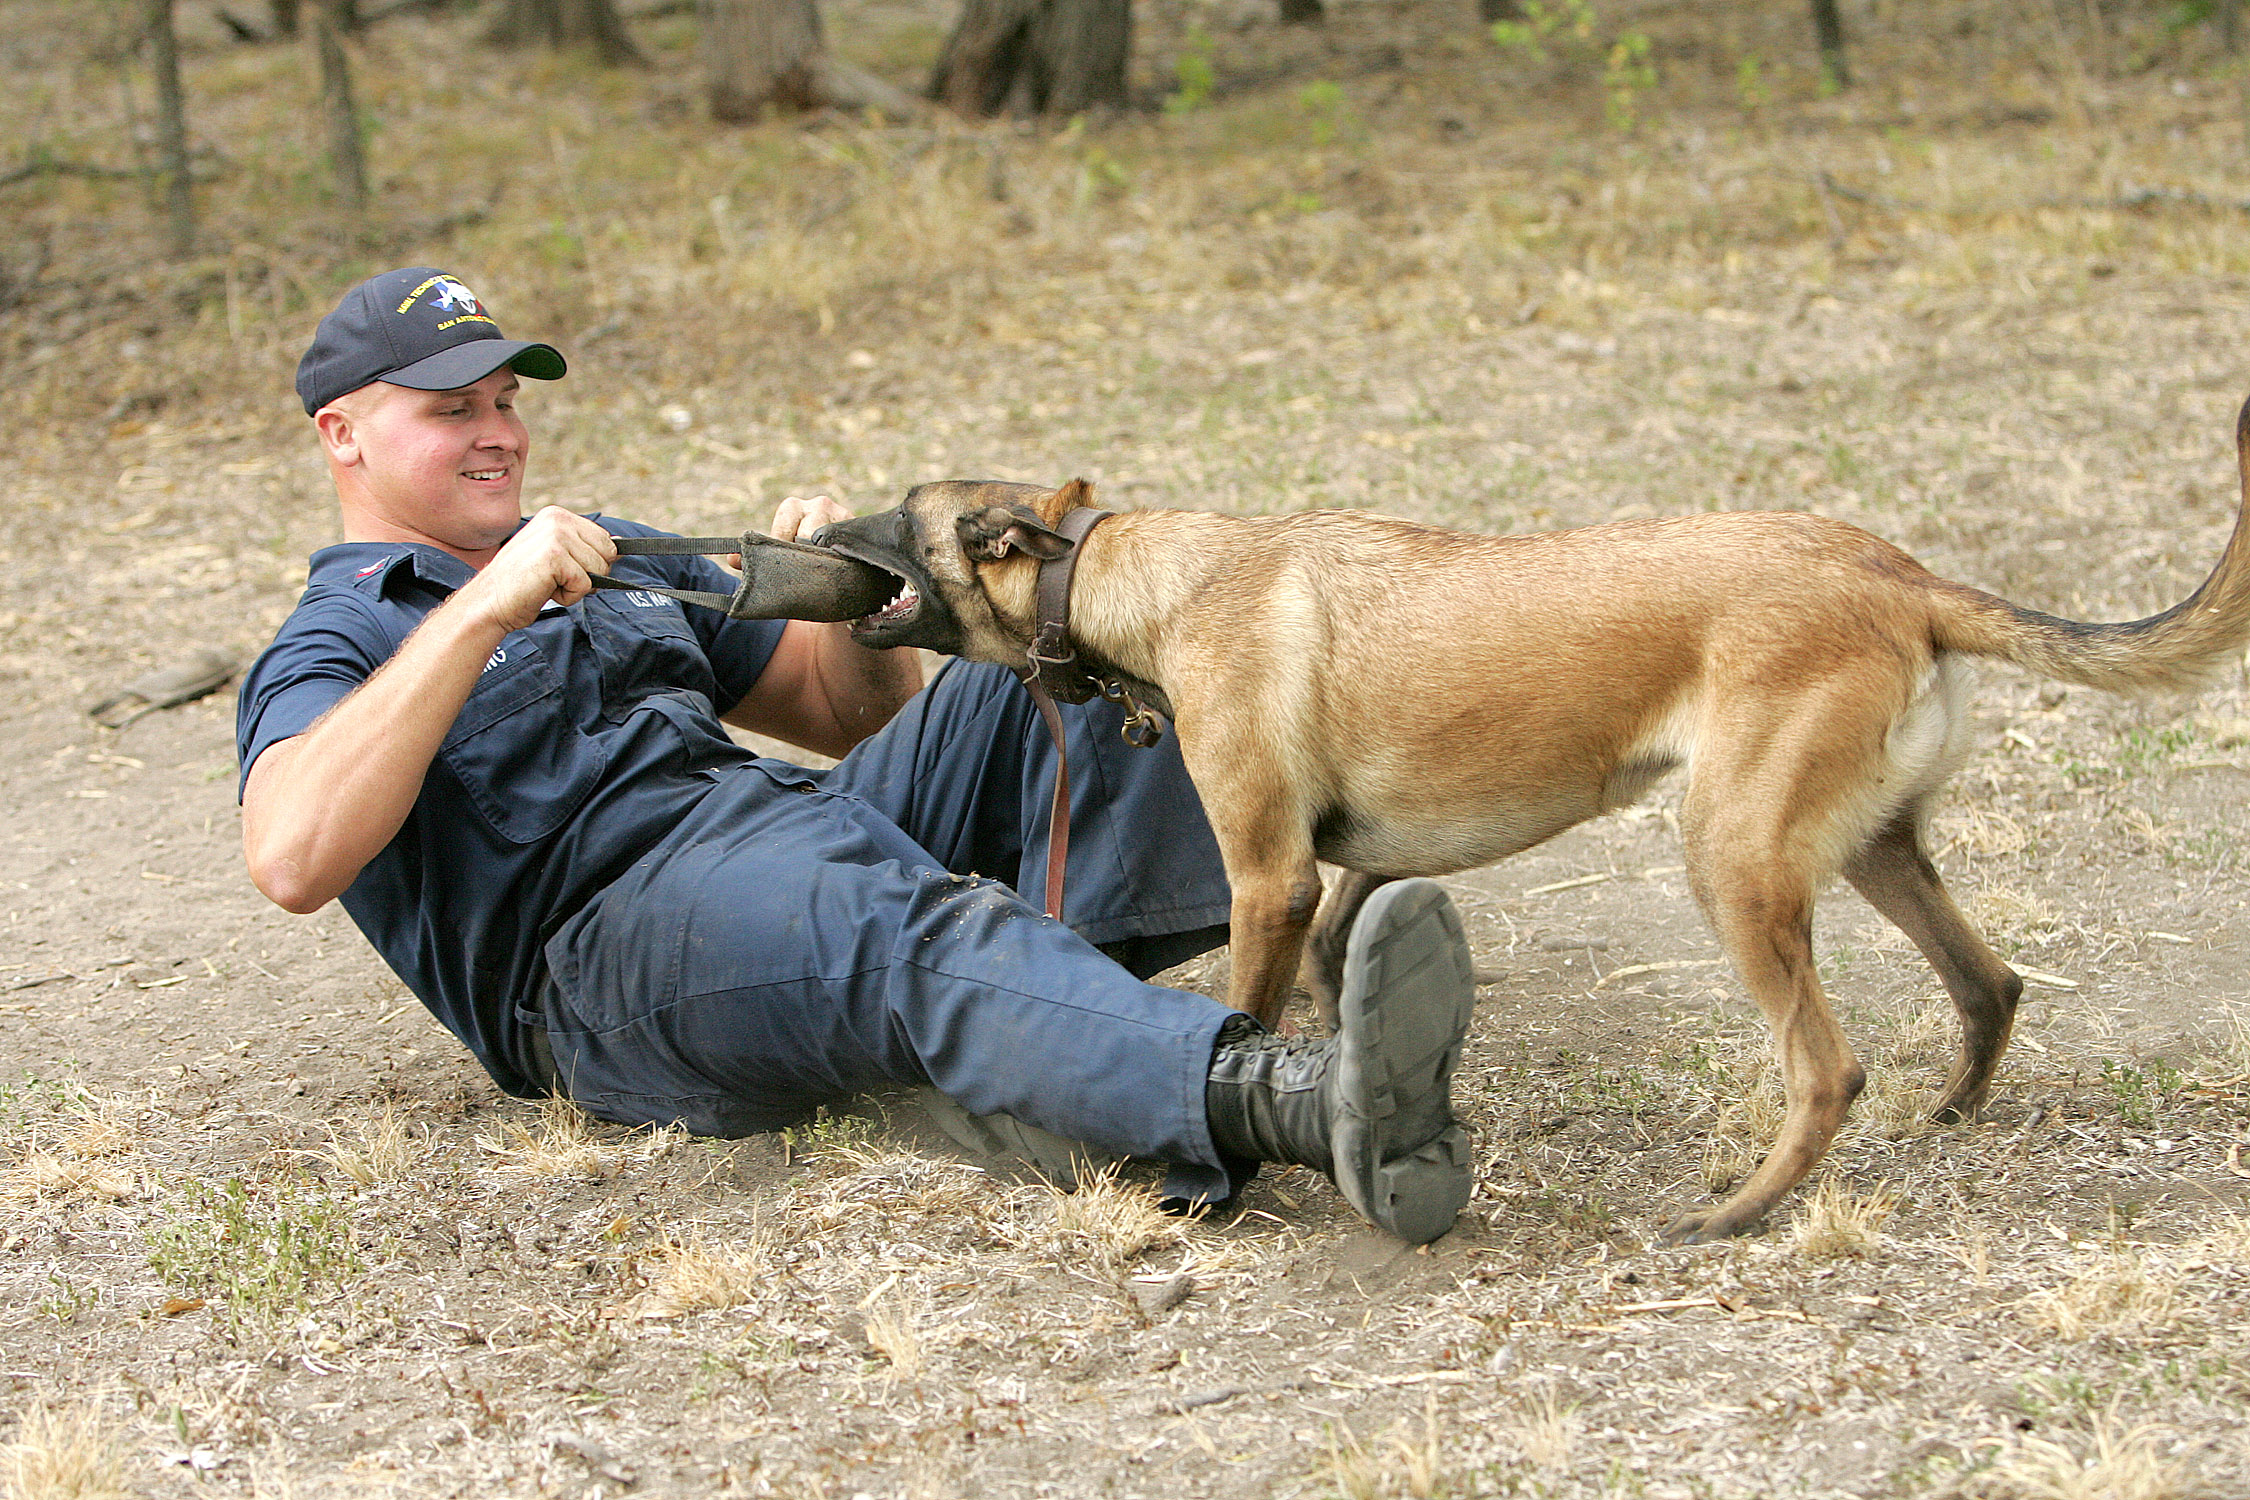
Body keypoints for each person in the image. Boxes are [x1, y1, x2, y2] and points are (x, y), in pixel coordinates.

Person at [235, 267, 1478, 1243]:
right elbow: (291, 857)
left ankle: (1237, 943)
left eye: (505, 401)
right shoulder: (342, 636)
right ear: (342, 435)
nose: (496, 432)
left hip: (776, 839)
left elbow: (847, 721)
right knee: (889, 926)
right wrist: (482, 610)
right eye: (452, 409)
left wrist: (855, 602)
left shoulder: (598, 552)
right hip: (604, 966)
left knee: (1070, 652)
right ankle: (1297, 1102)